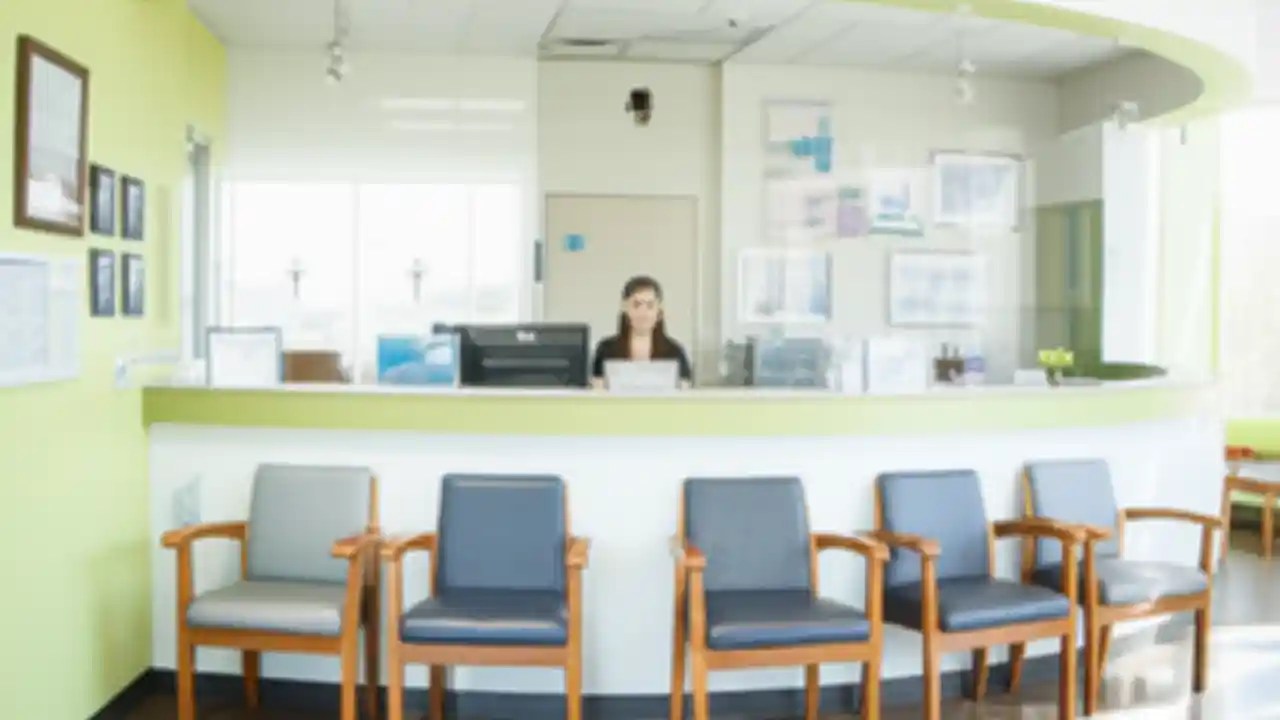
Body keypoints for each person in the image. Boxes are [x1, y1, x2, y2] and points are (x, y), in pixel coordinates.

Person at [591, 275, 692, 388]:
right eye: (636, 305)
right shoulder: (606, 349)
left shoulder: (674, 351)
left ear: (659, 311)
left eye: (650, 306)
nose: (643, 313)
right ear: (625, 308)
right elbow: (597, 389)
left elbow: (684, 391)